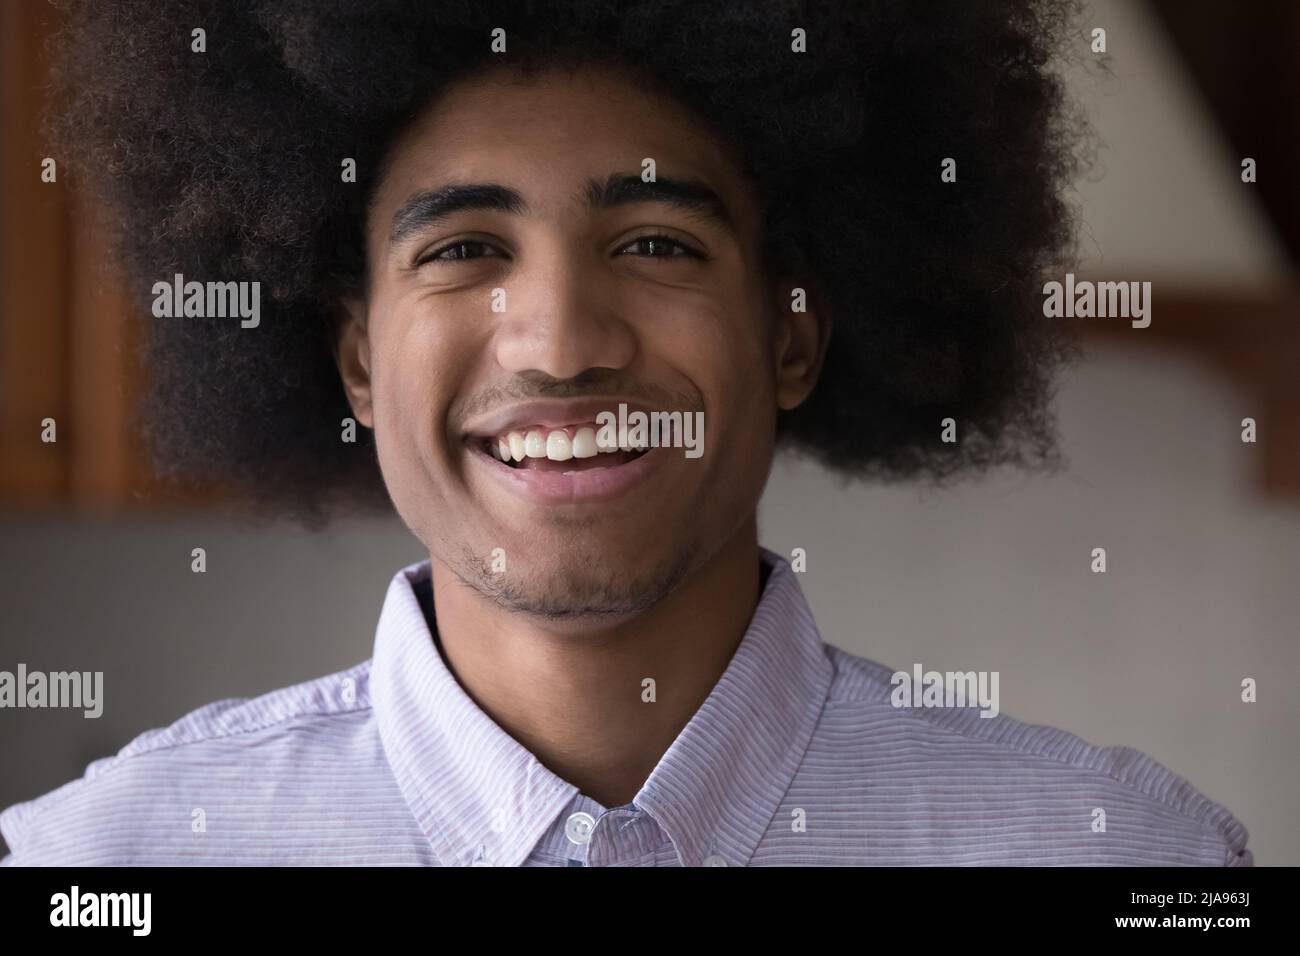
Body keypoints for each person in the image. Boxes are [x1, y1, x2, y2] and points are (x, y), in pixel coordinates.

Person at [0, 0, 1250, 866]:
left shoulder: (1125, 857)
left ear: (791, 338)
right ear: (357, 360)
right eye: (463, 250)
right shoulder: (109, 864)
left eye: (656, 243)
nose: (557, 340)